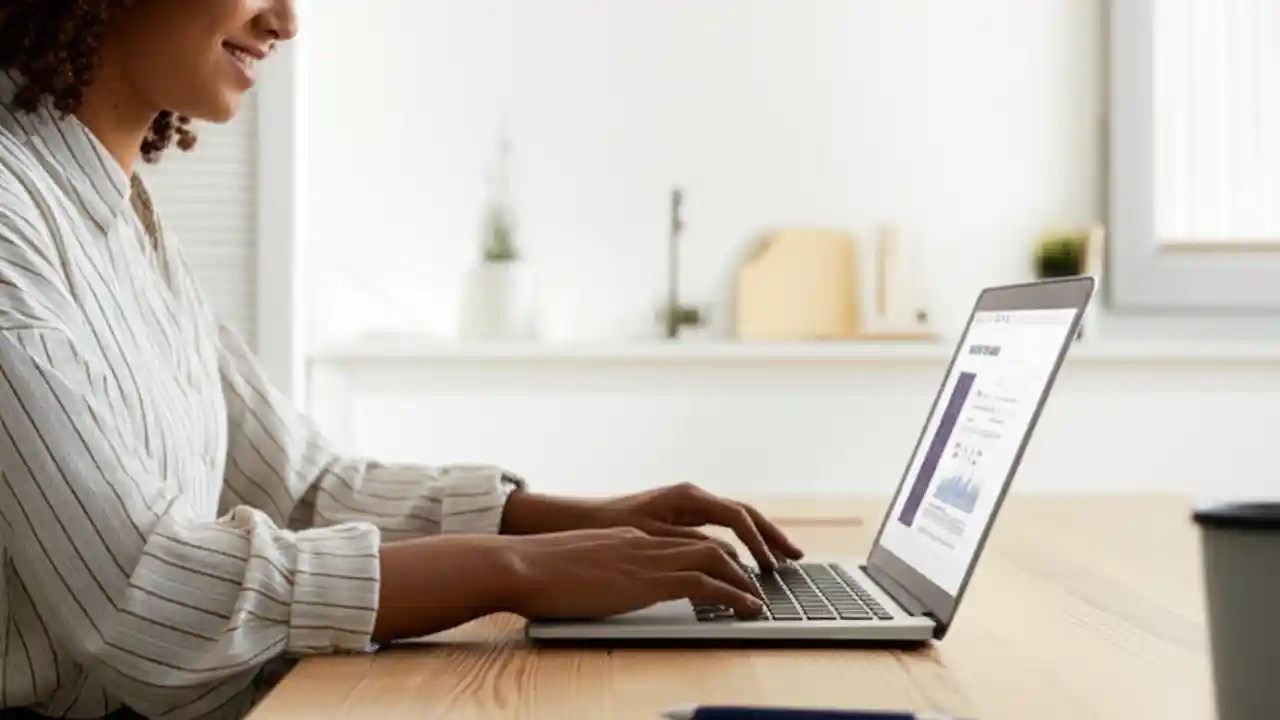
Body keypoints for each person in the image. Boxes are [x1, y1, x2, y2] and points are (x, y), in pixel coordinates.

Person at [0, 1, 805, 718]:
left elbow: (302, 487)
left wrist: (568, 520)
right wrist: (514, 568)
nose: (285, 21)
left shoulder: (121, 221)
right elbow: (145, 598)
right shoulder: (13, 221)